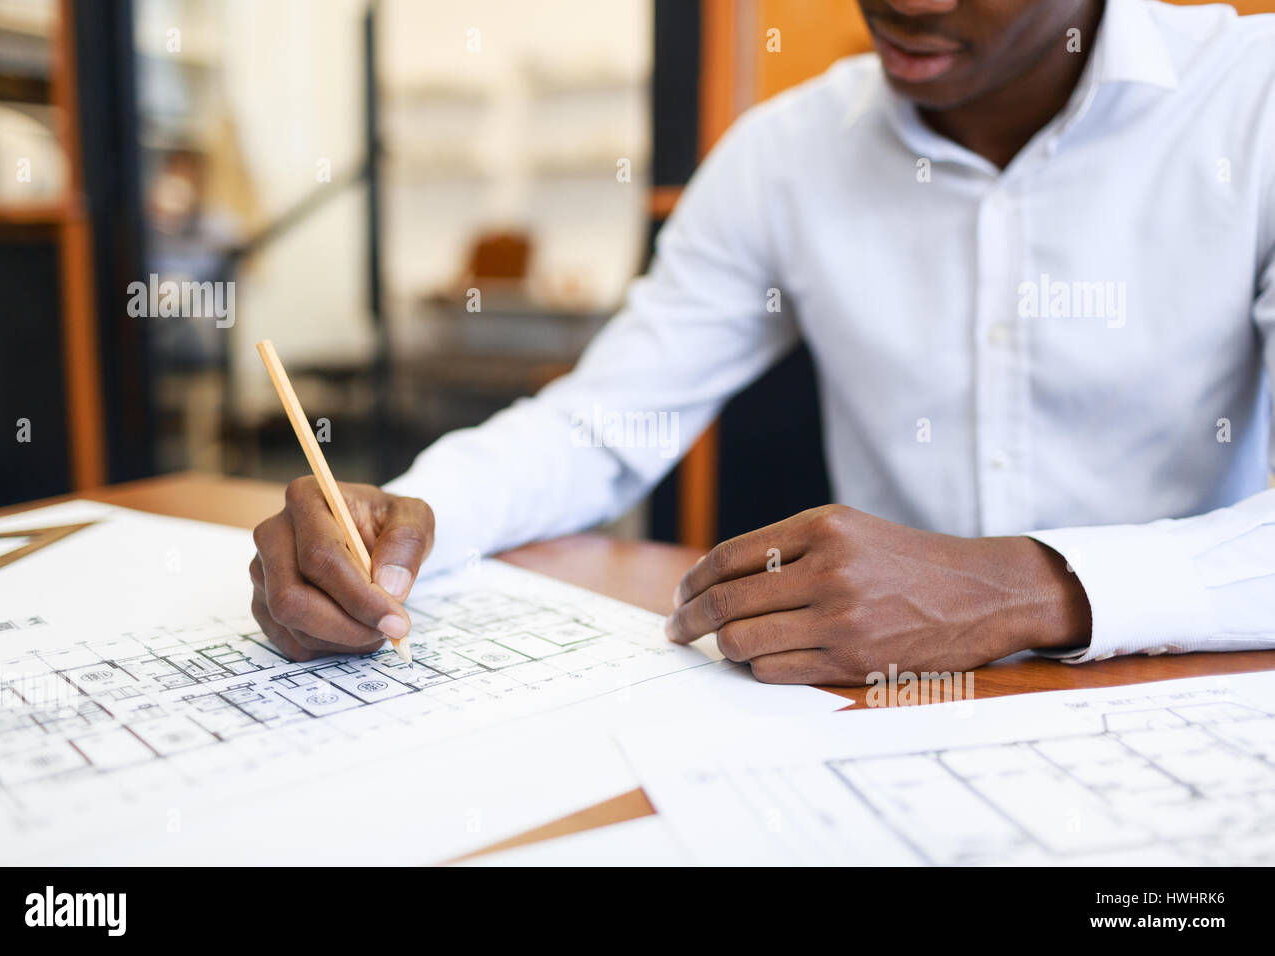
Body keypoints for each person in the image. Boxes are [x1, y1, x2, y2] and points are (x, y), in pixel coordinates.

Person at [250, 0, 1275, 684]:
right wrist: (419, 518)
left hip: (1190, 691)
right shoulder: (785, 150)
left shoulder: (1251, 100)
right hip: (876, 707)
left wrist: (1025, 585)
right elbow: (608, 421)